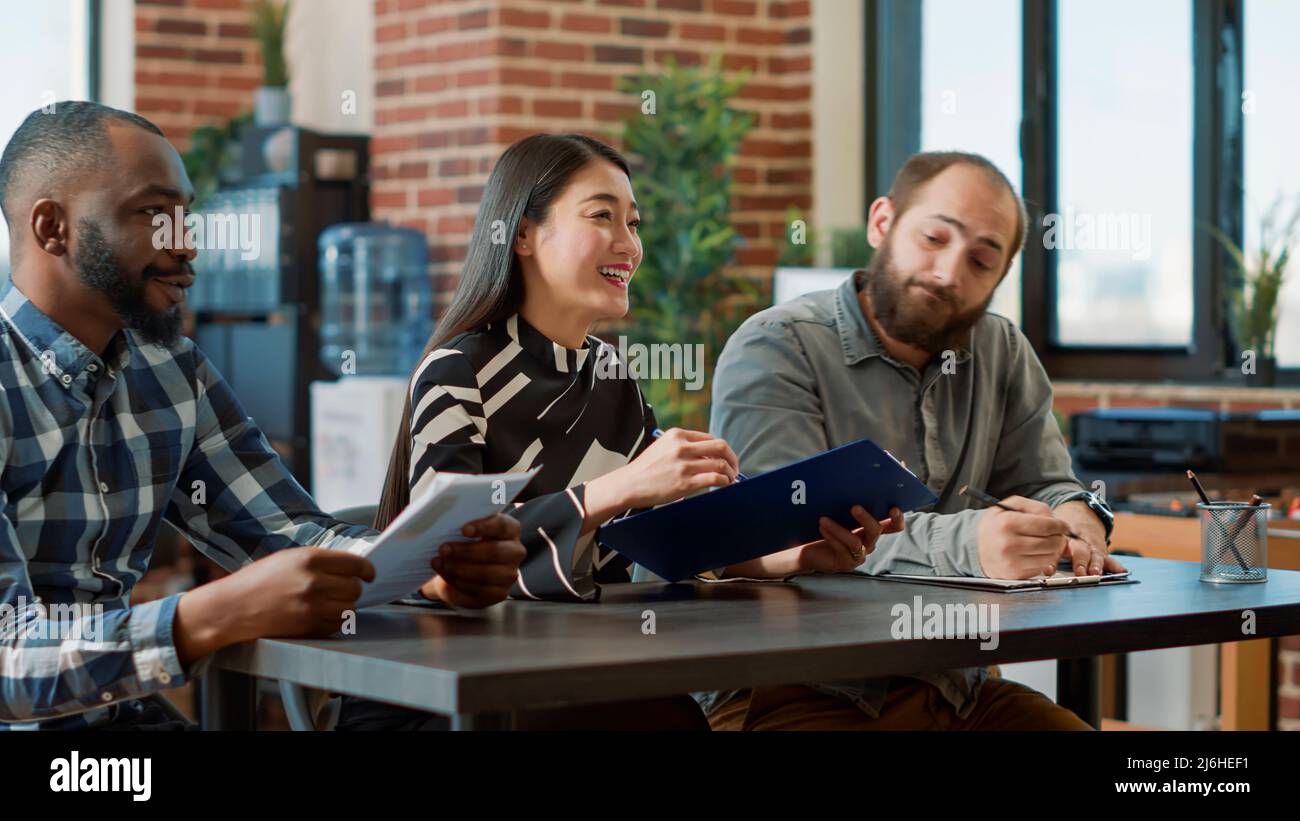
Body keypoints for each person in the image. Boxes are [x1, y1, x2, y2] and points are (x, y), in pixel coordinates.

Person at [334, 132, 902, 731]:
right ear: (522, 234)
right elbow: (440, 556)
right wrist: (621, 487)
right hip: (441, 691)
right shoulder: (457, 370)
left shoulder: (611, 377)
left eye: (633, 223)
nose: (628, 243)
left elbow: (662, 542)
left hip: (569, 670)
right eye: (601, 216)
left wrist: (787, 555)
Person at [0, 101, 526, 730]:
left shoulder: (172, 371)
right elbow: (8, 660)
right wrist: (213, 614)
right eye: (152, 215)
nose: (186, 245)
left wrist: (428, 570)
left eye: (184, 217)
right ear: (52, 226)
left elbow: (290, 532)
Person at [703, 151, 1123, 731]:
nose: (949, 273)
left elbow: (1048, 484)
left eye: (980, 260)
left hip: (956, 688)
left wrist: (1077, 522)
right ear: (883, 222)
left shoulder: (1002, 352)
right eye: (934, 237)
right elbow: (782, 527)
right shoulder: (778, 345)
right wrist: (974, 543)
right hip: (795, 685)